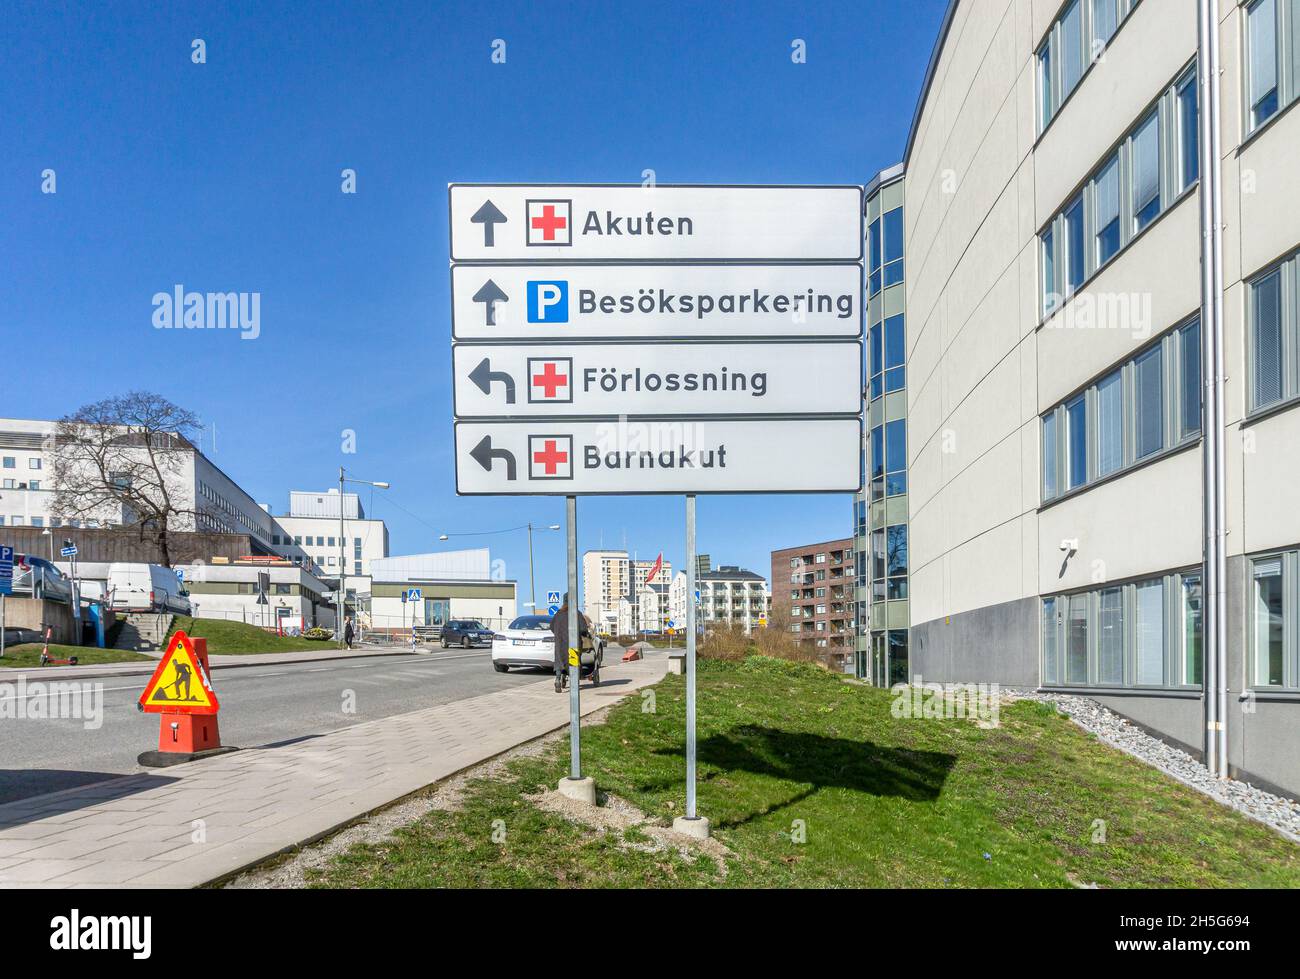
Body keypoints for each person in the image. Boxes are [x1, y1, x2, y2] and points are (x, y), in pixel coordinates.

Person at [550, 593, 590, 693]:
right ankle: (573, 682)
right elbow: (583, 629)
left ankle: (558, 680)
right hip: (574, 643)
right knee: (573, 662)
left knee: (559, 660)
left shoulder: (558, 614)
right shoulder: (576, 613)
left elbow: (552, 627)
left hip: (560, 643)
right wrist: (585, 634)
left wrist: (559, 633)